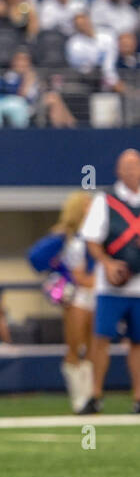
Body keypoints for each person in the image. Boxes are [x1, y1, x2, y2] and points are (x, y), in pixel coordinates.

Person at [80, 148, 140, 415]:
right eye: (125, 167)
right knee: (101, 338)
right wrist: (108, 263)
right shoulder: (105, 200)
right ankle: (95, 395)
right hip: (111, 285)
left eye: (135, 166)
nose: (130, 171)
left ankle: (138, 396)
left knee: (138, 342)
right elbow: (91, 239)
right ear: (118, 171)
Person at [27, 192, 97, 412]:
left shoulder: (97, 234)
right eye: (86, 205)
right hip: (74, 294)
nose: (91, 208)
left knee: (93, 345)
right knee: (75, 345)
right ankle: (79, 398)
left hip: (94, 292)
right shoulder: (65, 236)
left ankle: (92, 396)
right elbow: (36, 258)